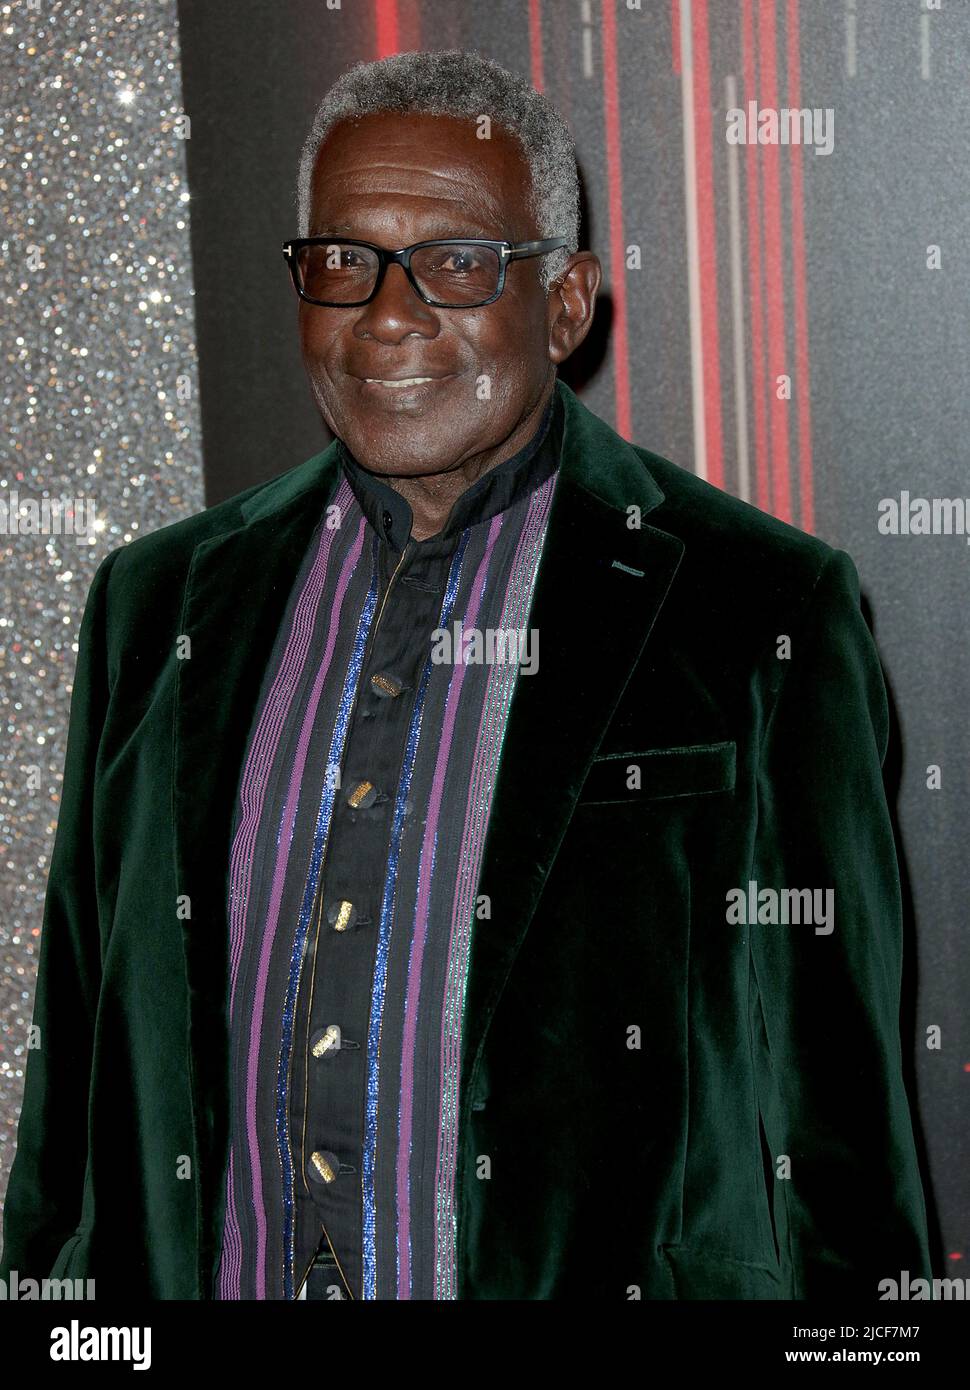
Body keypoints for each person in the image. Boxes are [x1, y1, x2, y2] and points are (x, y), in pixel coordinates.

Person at [0, 49, 931, 1301]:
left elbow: (840, 1144)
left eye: (456, 261)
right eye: (342, 261)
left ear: (566, 300)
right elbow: (72, 1106)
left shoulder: (757, 611)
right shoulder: (156, 604)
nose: (387, 316)